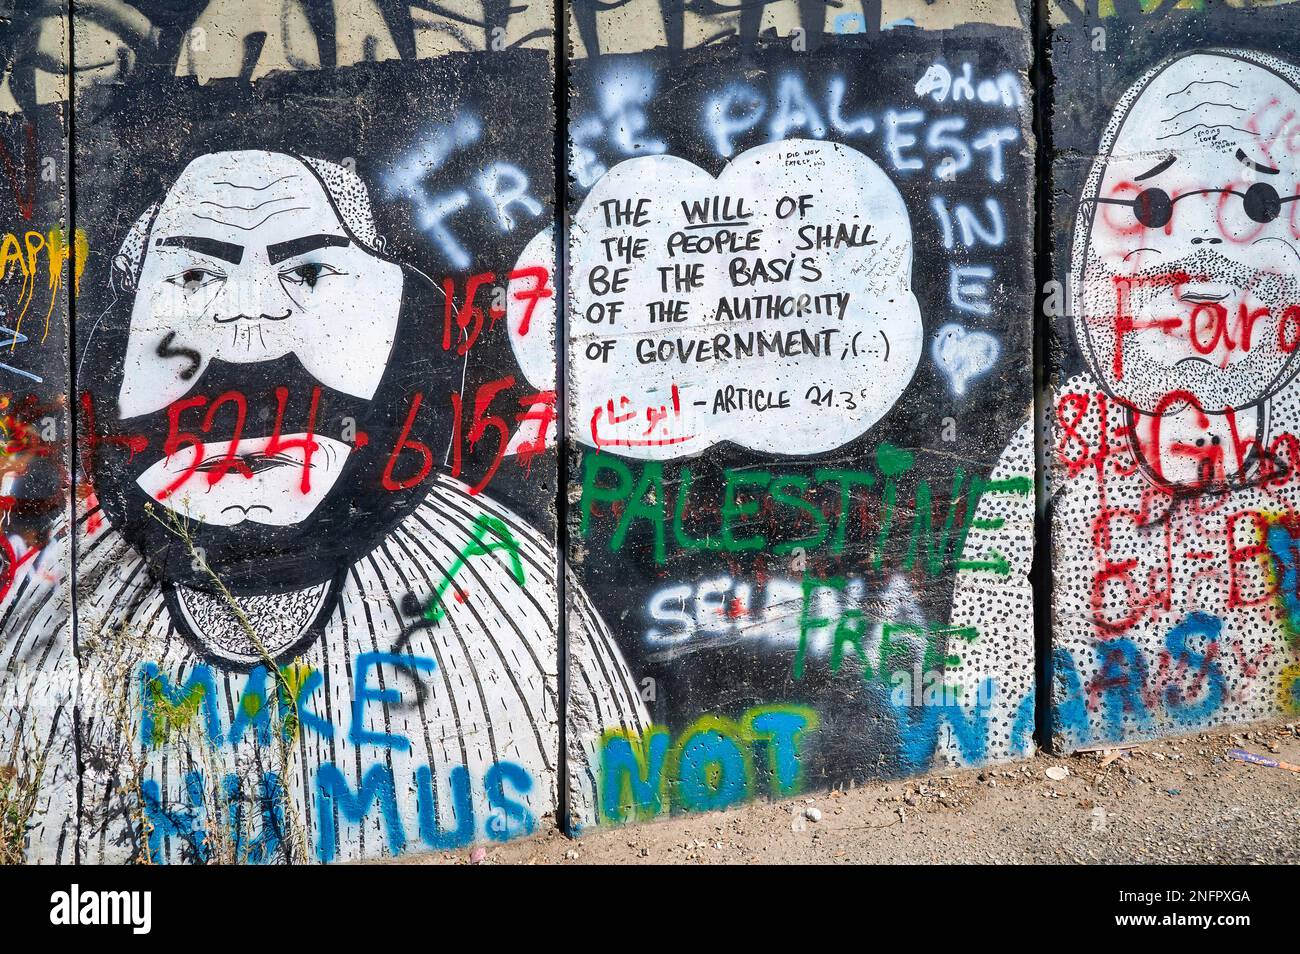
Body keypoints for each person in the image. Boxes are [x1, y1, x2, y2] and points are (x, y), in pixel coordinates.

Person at [2, 150, 646, 863]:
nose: (248, 321)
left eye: (307, 272)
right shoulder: (58, 603)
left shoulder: (509, 586)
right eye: (190, 275)